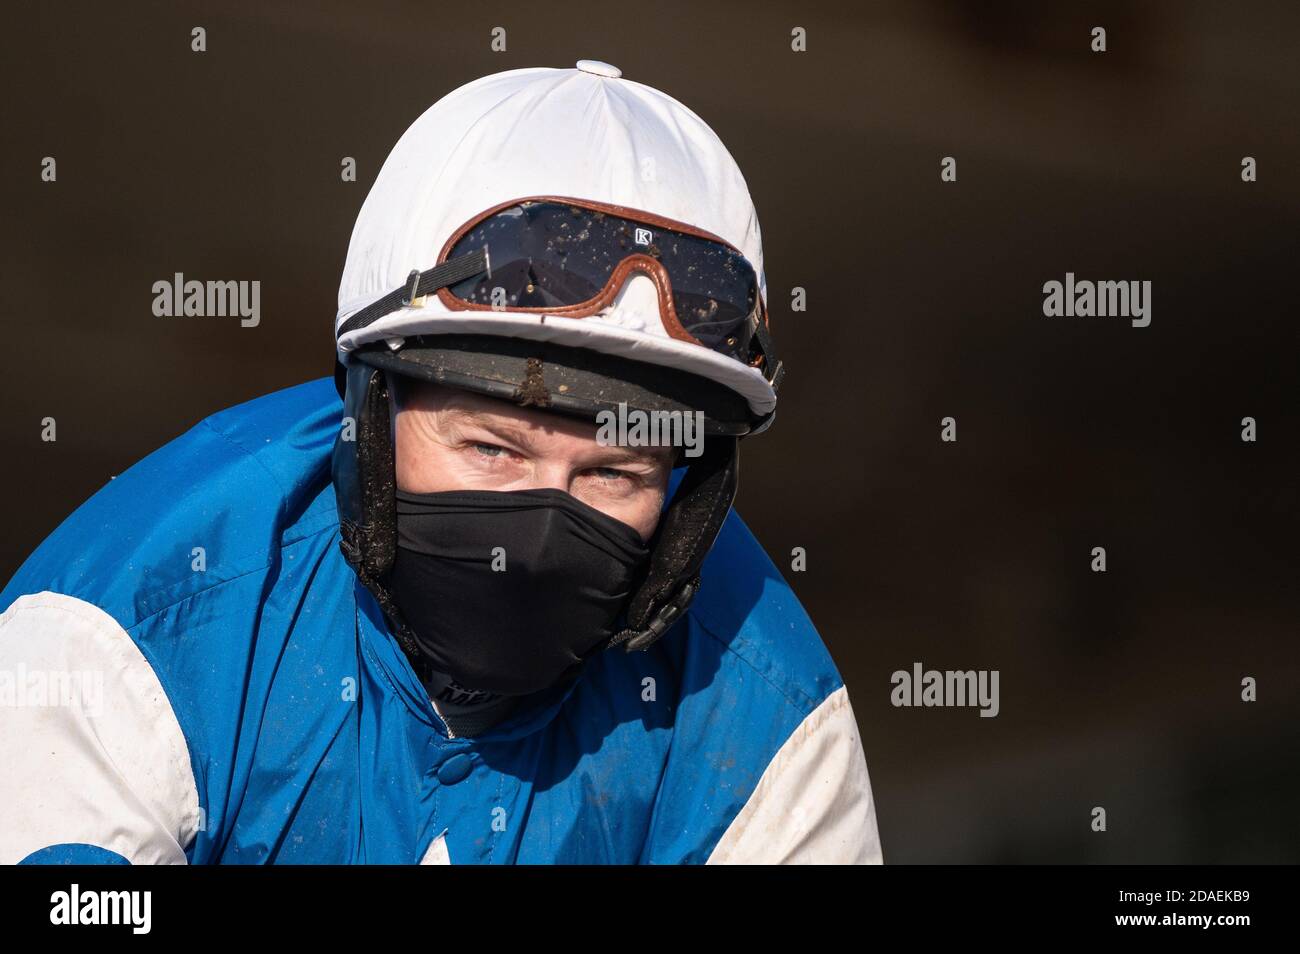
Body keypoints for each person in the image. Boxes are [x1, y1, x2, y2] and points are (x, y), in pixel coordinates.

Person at [0, 61, 882, 864]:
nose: (541, 533)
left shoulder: (772, 726)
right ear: (372, 420)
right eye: (491, 448)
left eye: (615, 475)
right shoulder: (124, 640)